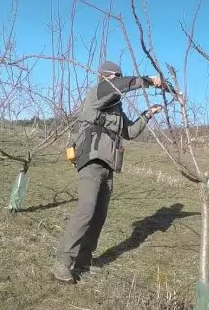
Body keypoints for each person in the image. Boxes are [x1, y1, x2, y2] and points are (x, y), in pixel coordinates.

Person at [52, 60, 171, 283]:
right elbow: (121, 85)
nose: (119, 79)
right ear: (107, 77)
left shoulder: (117, 108)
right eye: (117, 76)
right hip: (91, 161)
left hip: (109, 165)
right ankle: (62, 262)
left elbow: (129, 132)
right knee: (85, 211)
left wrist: (148, 114)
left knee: (98, 216)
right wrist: (150, 81)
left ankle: (83, 263)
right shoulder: (96, 93)